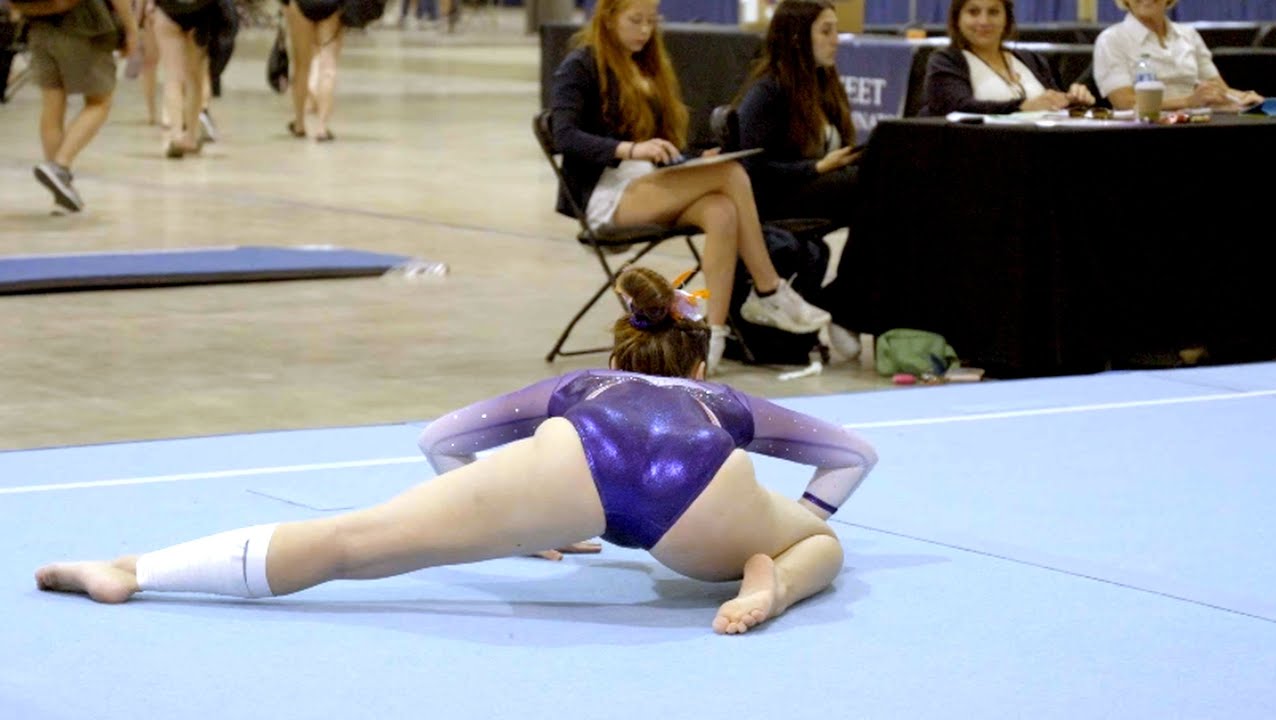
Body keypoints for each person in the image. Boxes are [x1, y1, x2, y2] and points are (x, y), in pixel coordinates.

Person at [35, 266, 880, 636]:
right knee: (823, 544)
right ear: (697, 362)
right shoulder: (723, 400)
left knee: (350, 543)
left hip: (566, 463)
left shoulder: (579, 389)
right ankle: (772, 582)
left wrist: (525, 524)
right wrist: (786, 523)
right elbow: (852, 454)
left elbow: (441, 439)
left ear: (623, 350)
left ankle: (135, 572)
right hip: (707, 498)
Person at [550, 0, 832, 374]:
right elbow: (563, 134)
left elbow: (661, 144)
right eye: (635, 20)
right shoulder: (582, 64)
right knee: (731, 174)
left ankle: (712, 335)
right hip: (605, 191)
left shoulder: (648, 66)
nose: (645, 30)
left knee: (721, 209)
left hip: (647, 180)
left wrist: (694, 158)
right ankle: (768, 290)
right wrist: (629, 149)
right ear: (607, 18)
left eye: (652, 21)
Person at [734, 0, 863, 362]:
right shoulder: (769, 90)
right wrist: (816, 169)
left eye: (836, 30)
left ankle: (838, 302)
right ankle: (842, 306)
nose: (836, 40)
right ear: (796, 38)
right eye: (826, 31)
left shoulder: (825, 85)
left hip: (812, 192)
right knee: (872, 190)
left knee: (884, 196)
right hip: (772, 200)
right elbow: (747, 169)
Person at [17, 0, 137, 212]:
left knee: (52, 105)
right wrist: (131, 28)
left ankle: (60, 193)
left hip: (38, 27)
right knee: (99, 101)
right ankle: (60, 168)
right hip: (83, 27)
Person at [922, 0, 1095, 116]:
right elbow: (957, 108)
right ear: (957, 19)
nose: (983, 21)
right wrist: (1021, 106)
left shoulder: (1031, 59)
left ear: (1007, 18)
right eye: (973, 12)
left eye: (993, 12)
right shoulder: (945, 61)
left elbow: (1054, 105)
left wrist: (1074, 102)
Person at [1092, 0, 1263, 112]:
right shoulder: (1111, 40)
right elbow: (1126, 103)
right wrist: (1188, 102)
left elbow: (1218, 89)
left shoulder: (1189, 35)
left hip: (1197, 124)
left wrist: (1244, 98)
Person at [151, 0, 233, 157]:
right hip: (202, 11)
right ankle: (191, 136)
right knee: (194, 78)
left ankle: (175, 135)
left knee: (173, 77)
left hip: (168, 10)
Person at [282, 0, 345, 141]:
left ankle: (299, 124)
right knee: (328, 66)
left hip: (300, 4)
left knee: (301, 67)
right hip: (332, 6)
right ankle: (322, 127)